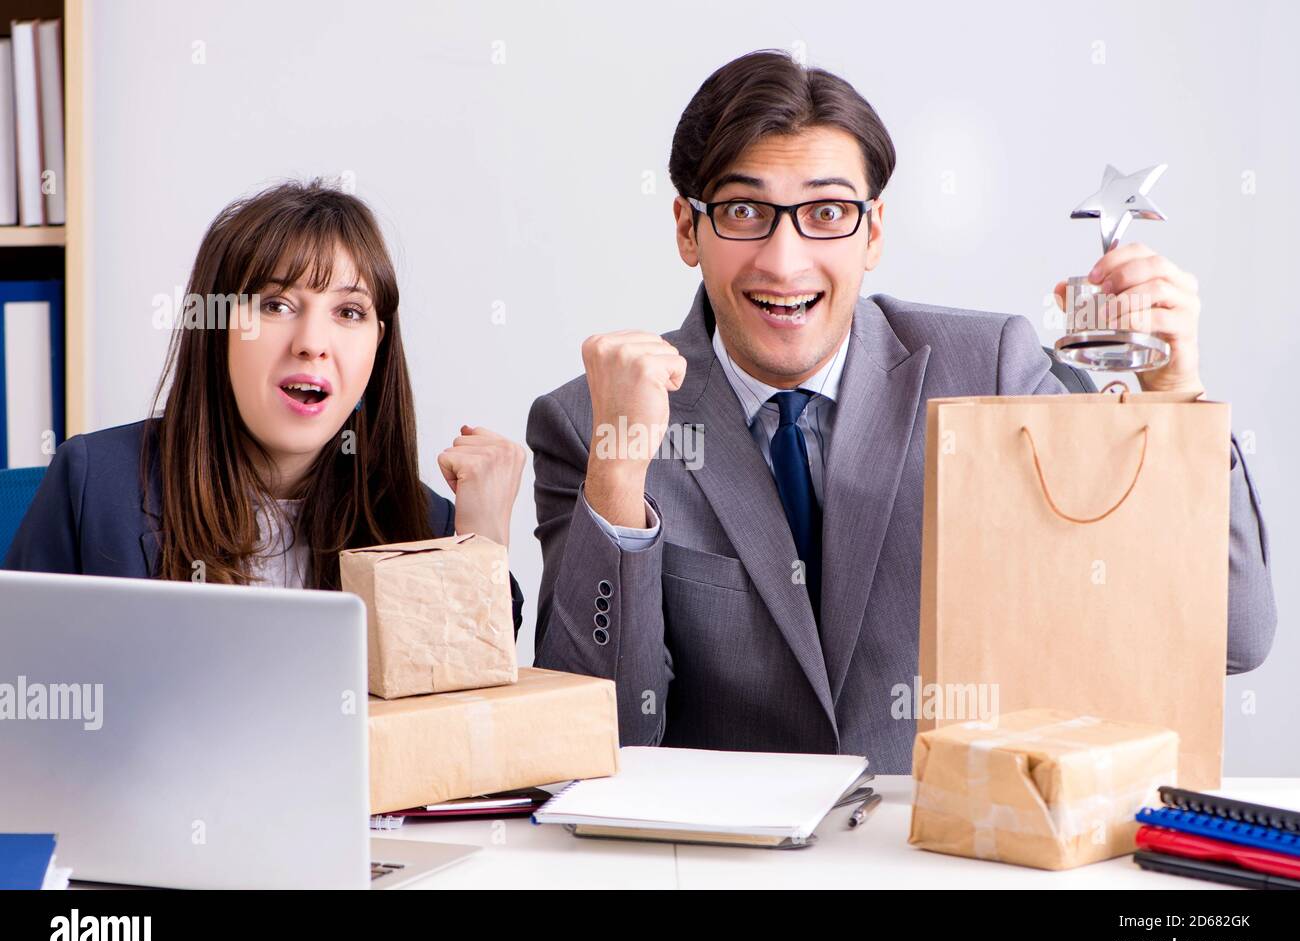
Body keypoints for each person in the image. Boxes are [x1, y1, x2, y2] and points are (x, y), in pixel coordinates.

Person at [526, 50, 1276, 769]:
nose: (784, 262)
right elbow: (598, 737)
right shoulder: (589, 422)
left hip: (944, 850)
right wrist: (620, 477)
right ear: (689, 230)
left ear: (873, 232)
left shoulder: (988, 371)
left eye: (826, 212)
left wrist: (1176, 397)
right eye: (746, 210)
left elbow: (1229, 639)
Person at [6, 180, 527, 633]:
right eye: (276, 305)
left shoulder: (427, 526)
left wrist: (479, 544)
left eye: (348, 311)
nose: (312, 343)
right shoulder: (95, 486)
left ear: (378, 348)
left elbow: (463, 728)